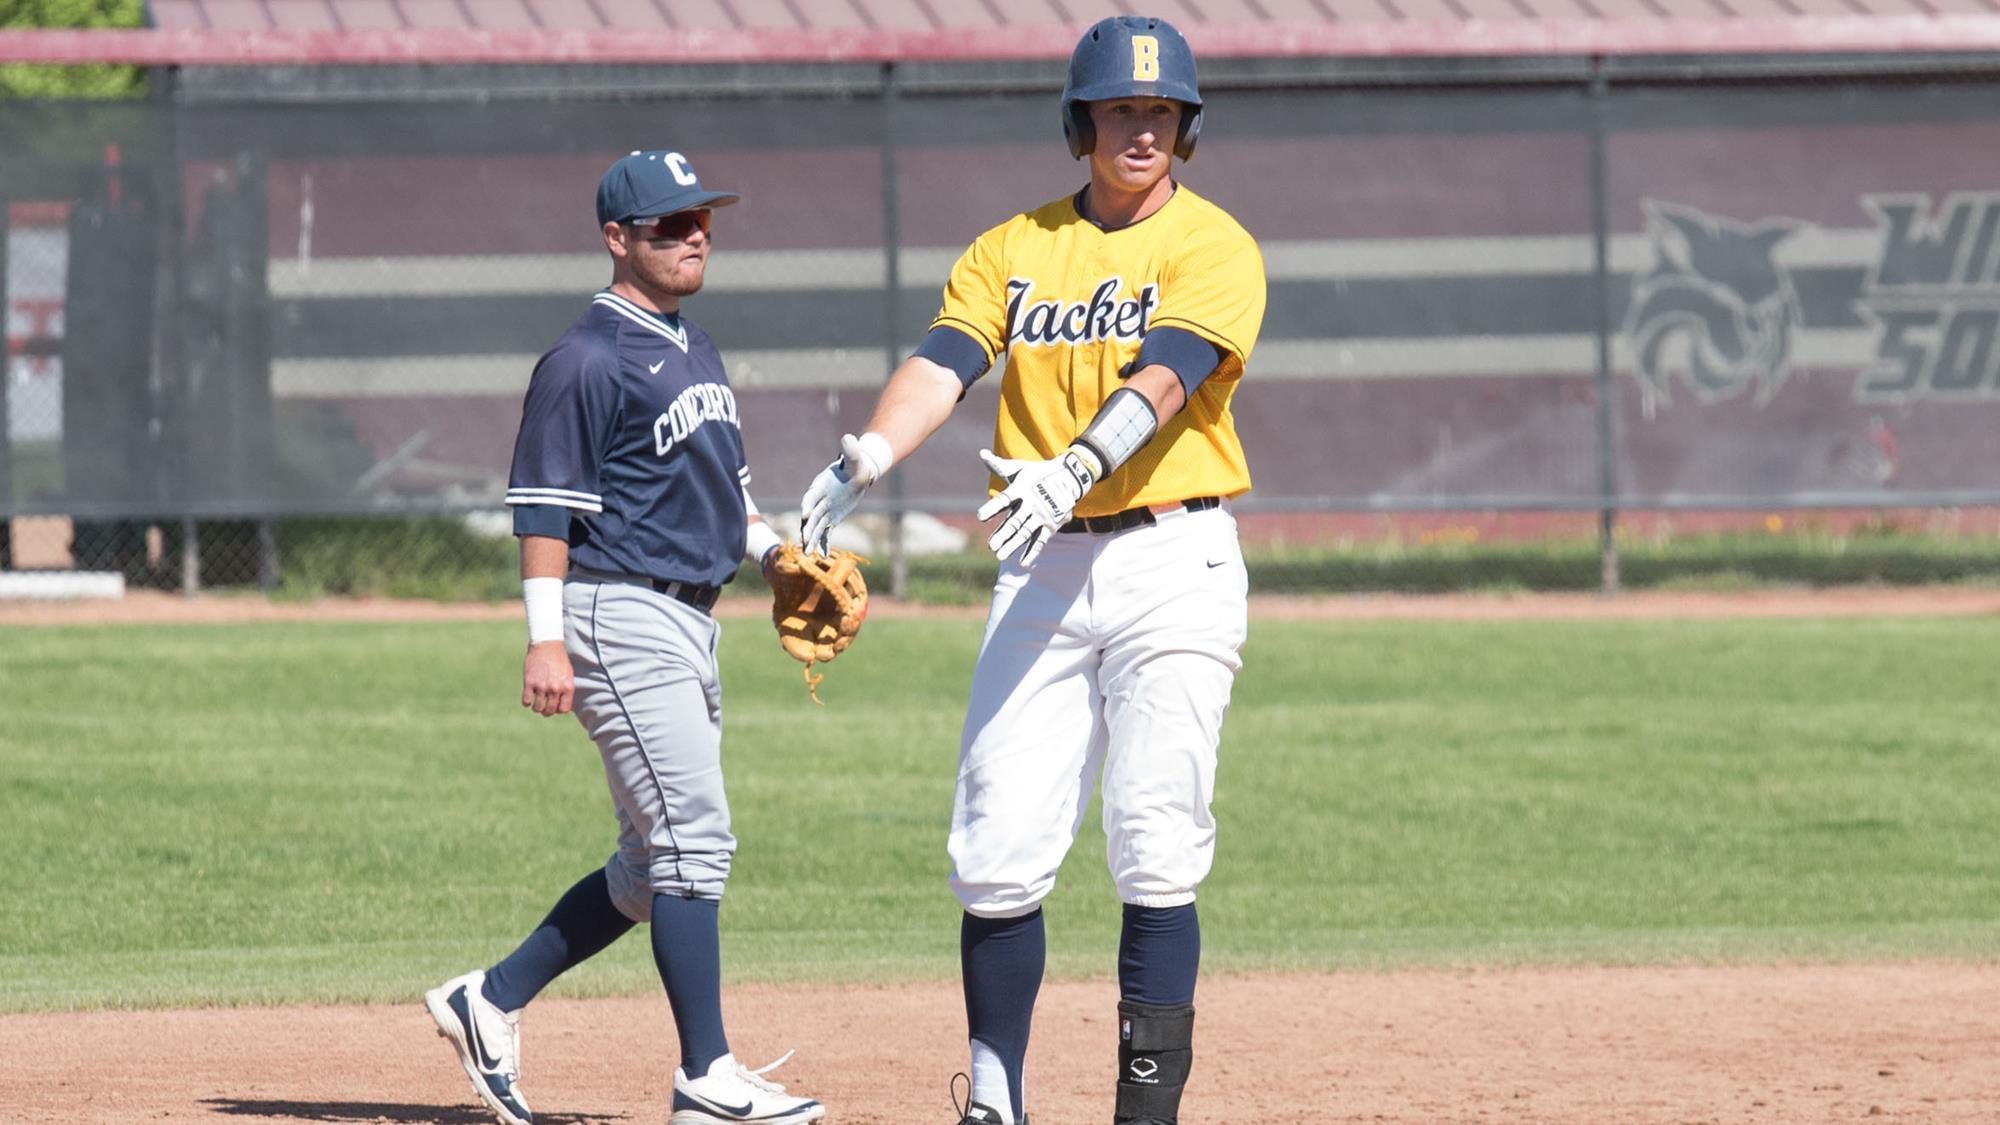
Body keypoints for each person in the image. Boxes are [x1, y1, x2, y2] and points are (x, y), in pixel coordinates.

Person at [797, 16, 1265, 1125]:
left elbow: (1170, 374)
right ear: (1080, 122)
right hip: (1042, 562)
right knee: (997, 846)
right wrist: (866, 454)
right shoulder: (1013, 245)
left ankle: (1141, 1116)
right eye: (1120, 109)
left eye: (1160, 111)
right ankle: (994, 1101)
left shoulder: (1214, 246)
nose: (1140, 128)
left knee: (1154, 844)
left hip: (1173, 559)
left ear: (1185, 127)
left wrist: (1077, 464)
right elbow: (947, 358)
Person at [424, 149, 823, 1125]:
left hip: (691, 616)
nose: (692, 238)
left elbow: (724, 492)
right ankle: (706, 1078)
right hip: (617, 611)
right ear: (617, 239)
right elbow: (542, 512)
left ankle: (490, 999)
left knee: (652, 867)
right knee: (694, 843)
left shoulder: (696, 347)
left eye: (700, 222)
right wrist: (543, 639)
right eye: (668, 226)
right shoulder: (584, 359)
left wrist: (775, 557)